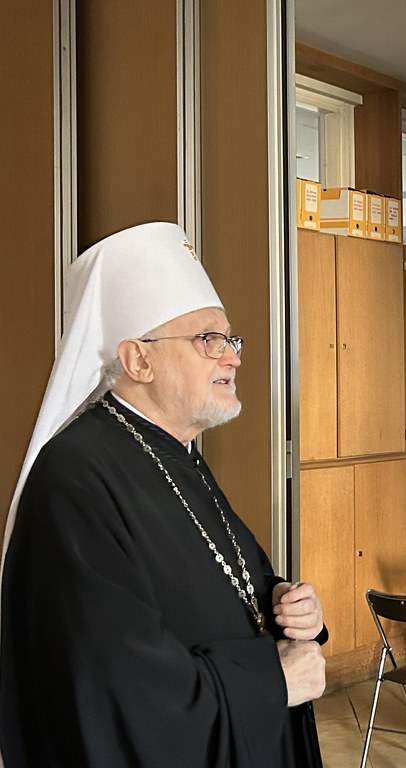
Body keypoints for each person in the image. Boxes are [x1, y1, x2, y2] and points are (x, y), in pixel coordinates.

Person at [0, 222, 328, 767]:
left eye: (231, 340)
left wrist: (286, 609)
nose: (233, 358)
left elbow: (212, 589)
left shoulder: (178, 456)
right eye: (209, 341)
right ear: (138, 361)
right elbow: (118, 690)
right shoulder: (74, 479)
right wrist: (270, 681)